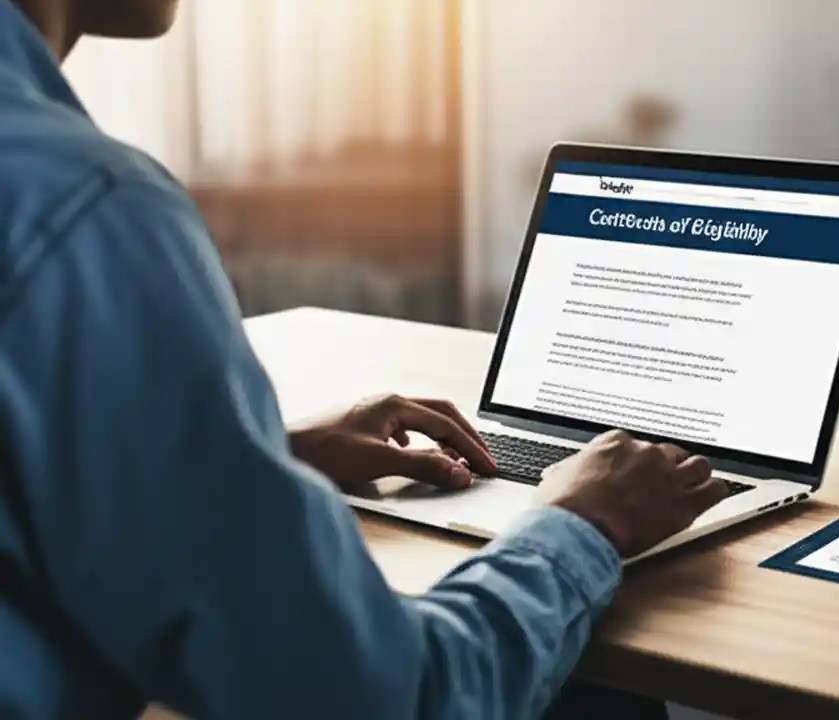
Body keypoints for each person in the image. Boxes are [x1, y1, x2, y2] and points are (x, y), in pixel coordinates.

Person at [0, 1, 729, 718]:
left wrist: (257, 458)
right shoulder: (89, 205)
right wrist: (585, 522)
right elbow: (394, 698)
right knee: (589, 693)